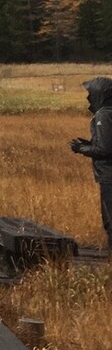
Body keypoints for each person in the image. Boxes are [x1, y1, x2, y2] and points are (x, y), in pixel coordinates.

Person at [70, 76, 112, 249]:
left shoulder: (104, 114)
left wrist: (81, 149)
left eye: (91, 93)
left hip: (109, 175)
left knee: (110, 219)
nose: (88, 98)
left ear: (99, 95)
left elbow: (104, 150)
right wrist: (90, 144)